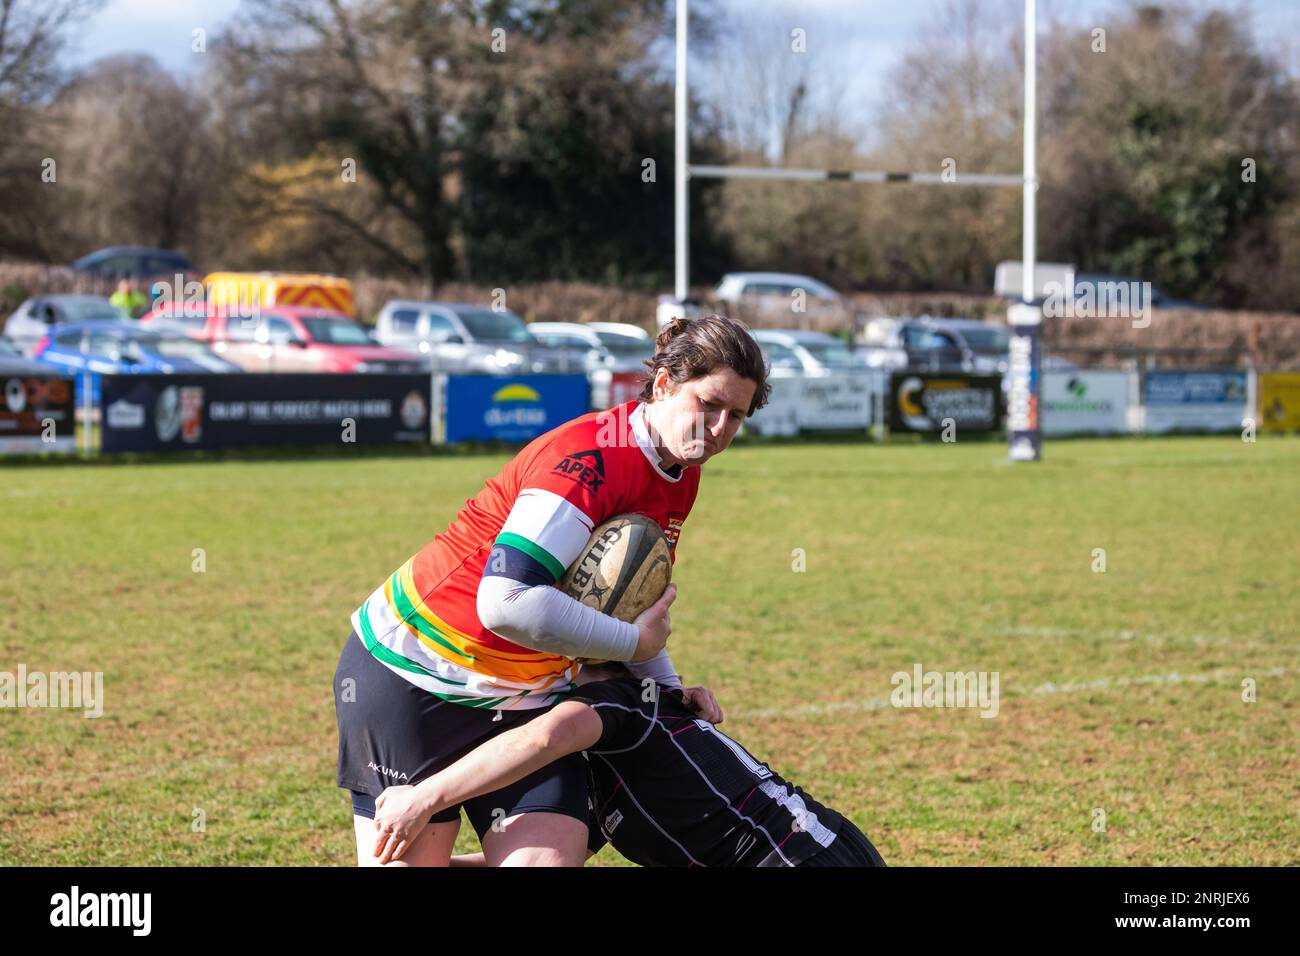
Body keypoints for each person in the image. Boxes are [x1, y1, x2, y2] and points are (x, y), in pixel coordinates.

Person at [333, 313, 770, 866]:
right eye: (708, 404)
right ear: (663, 385)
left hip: (524, 694)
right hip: (413, 677)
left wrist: (668, 687)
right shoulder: (591, 457)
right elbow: (506, 603)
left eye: (736, 415)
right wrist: (635, 648)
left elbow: (619, 606)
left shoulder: (680, 469)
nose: (719, 429)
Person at [371, 662, 888, 867]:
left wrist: (423, 798)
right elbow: (540, 854)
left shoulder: (622, 701)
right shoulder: (605, 773)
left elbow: (541, 737)